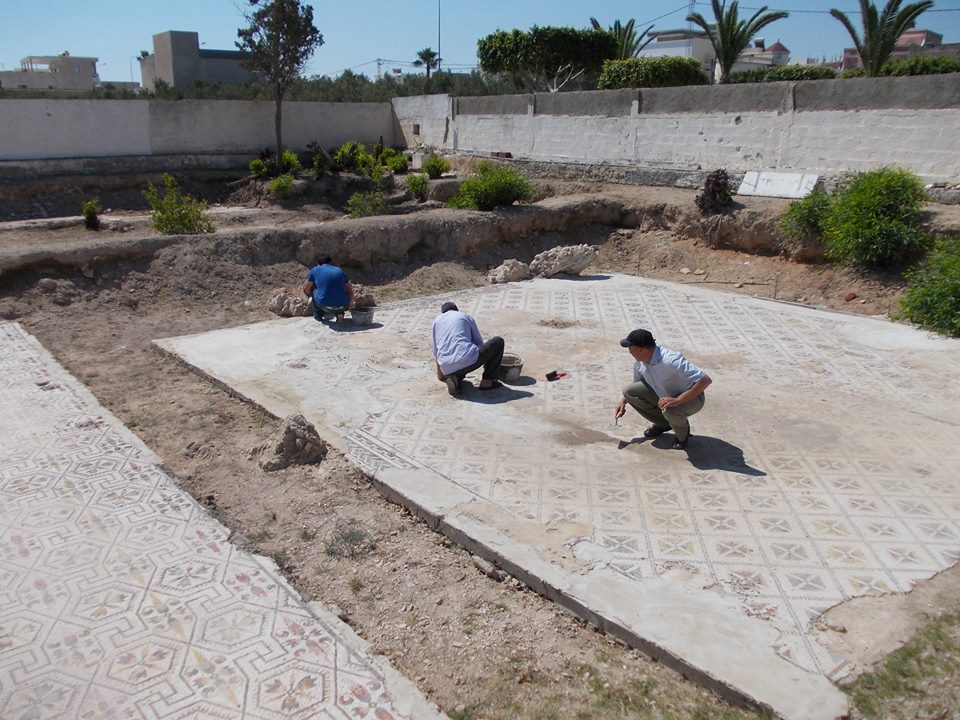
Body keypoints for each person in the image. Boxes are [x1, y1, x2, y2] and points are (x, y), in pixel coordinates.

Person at [614, 329, 711, 450]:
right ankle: (664, 424)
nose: (629, 352)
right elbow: (637, 384)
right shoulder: (640, 362)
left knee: (670, 410)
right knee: (629, 392)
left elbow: (705, 380)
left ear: (641, 350)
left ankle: (682, 436)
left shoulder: (671, 360)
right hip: (664, 395)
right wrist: (623, 402)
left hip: (693, 398)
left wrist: (678, 400)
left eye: (630, 348)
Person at [430, 302, 505, 396]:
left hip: (446, 367)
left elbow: (436, 352)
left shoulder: (436, 322)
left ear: (443, 313)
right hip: (466, 359)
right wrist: (492, 366)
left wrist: (441, 376)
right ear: (456, 310)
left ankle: (455, 379)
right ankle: (487, 382)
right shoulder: (464, 316)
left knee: (458, 365)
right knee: (498, 342)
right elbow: (479, 343)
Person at [303, 255, 354, 323]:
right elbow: (350, 289)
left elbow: (307, 288)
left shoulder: (315, 270)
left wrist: (311, 296)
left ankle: (318, 316)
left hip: (325, 306)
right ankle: (340, 314)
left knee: (313, 288)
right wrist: (351, 303)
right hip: (343, 306)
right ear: (330, 262)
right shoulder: (339, 270)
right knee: (340, 288)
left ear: (319, 263)